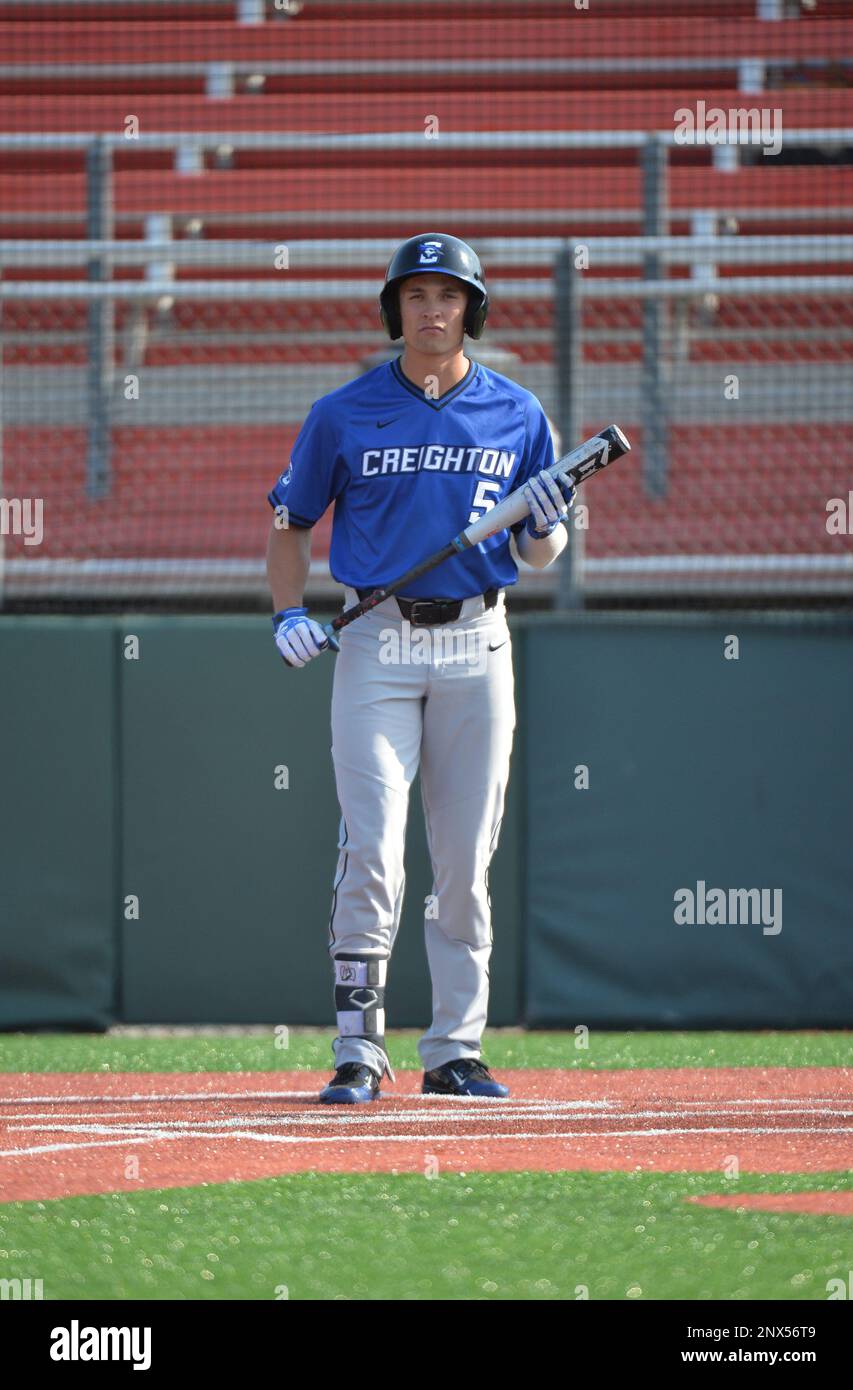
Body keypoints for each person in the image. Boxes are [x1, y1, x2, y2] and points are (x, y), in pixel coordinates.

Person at [266, 233, 575, 1103]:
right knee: (370, 849)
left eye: (448, 296)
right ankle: (358, 1050)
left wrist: (547, 523)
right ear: (394, 309)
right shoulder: (343, 411)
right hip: (376, 642)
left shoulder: (518, 413)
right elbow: (290, 521)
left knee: (465, 859)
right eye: (416, 296)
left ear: (471, 310)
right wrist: (289, 610)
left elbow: (542, 553)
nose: (432, 311)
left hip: (478, 643)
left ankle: (455, 1050)